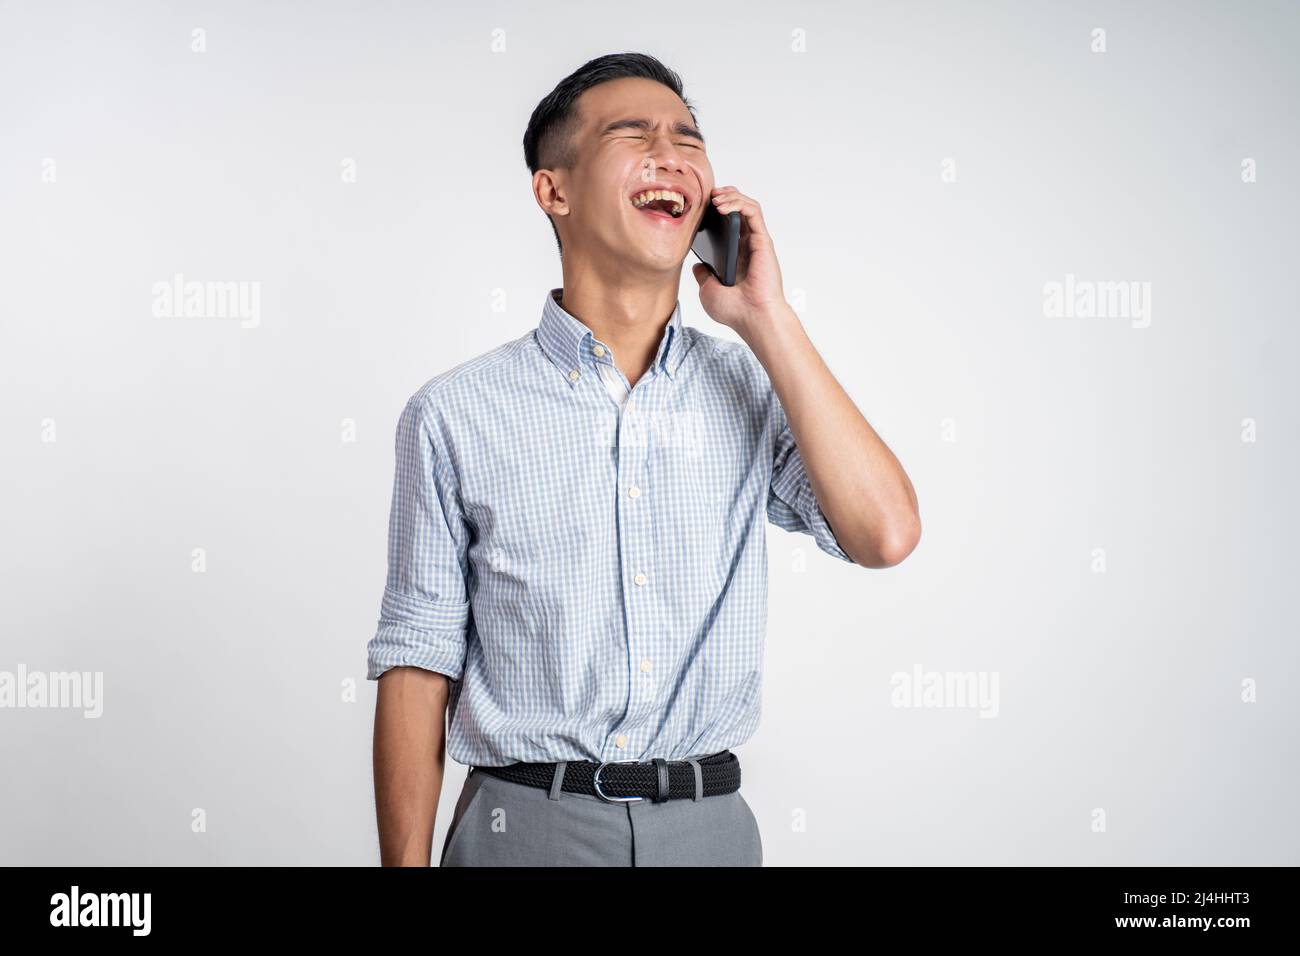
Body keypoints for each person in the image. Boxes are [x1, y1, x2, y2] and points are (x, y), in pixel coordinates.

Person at [368, 52, 920, 867]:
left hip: (710, 830)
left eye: (689, 140)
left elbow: (885, 533)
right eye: (635, 134)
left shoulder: (751, 386)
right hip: (524, 828)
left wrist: (765, 318)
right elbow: (418, 663)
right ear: (553, 190)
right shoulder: (455, 413)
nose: (673, 154)